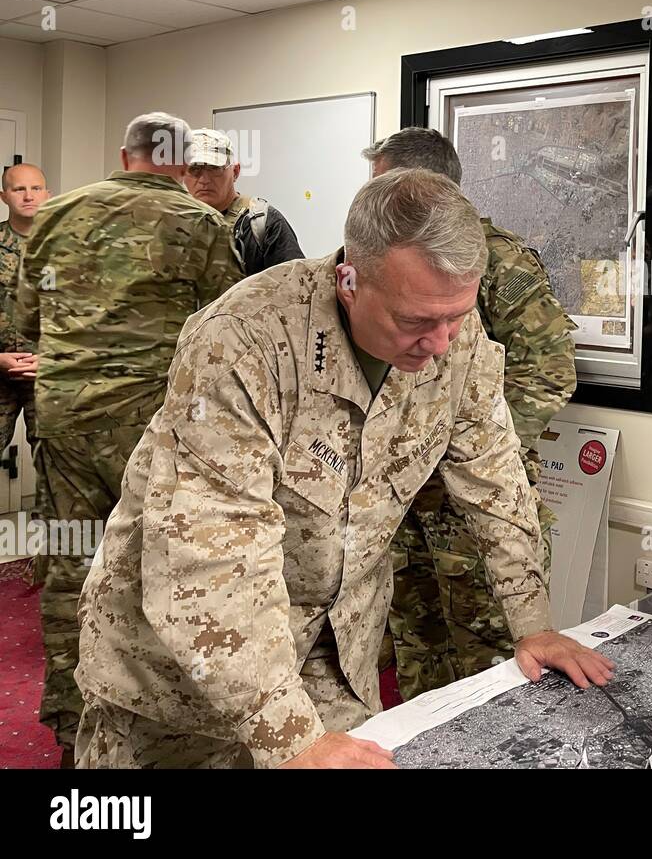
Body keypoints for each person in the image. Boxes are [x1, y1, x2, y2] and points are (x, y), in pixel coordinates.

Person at [74, 169, 612, 768]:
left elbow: (496, 480)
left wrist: (532, 622)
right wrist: (289, 737)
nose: (440, 342)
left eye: (455, 317)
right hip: (185, 678)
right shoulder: (243, 341)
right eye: (414, 323)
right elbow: (210, 557)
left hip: (329, 657)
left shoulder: (452, 334)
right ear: (350, 281)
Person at [16, 112, 243, 760]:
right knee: (156, 571)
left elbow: (30, 315)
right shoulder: (201, 224)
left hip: (61, 416)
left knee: (70, 562)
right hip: (144, 425)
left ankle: (67, 723)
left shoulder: (56, 215)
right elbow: (220, 325)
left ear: (124, 153)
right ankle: (145, 729)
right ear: (180, 161)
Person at [365, 128, 577, 697]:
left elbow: (549, 373)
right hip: (405, 505)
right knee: (416, 658)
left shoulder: (499, 262)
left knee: (495, 667)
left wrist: (462, 438)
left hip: (478, 508)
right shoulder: (380, 271)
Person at [0, 163, 50, 580]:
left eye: (36, 188)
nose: (28, 196)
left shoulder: (65, 246)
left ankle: (47, 561)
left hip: (46, 374)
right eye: (19, 189)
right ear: (5, 197)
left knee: (52, 467)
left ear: (47, 194)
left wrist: (49, 357)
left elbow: (82, 313)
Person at [184, 127, 304, 274]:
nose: (204, 180)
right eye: (194, 169)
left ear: (235, 172)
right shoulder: (174, 221)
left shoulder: (263, 223)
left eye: (214, 168)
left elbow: (297, 286)